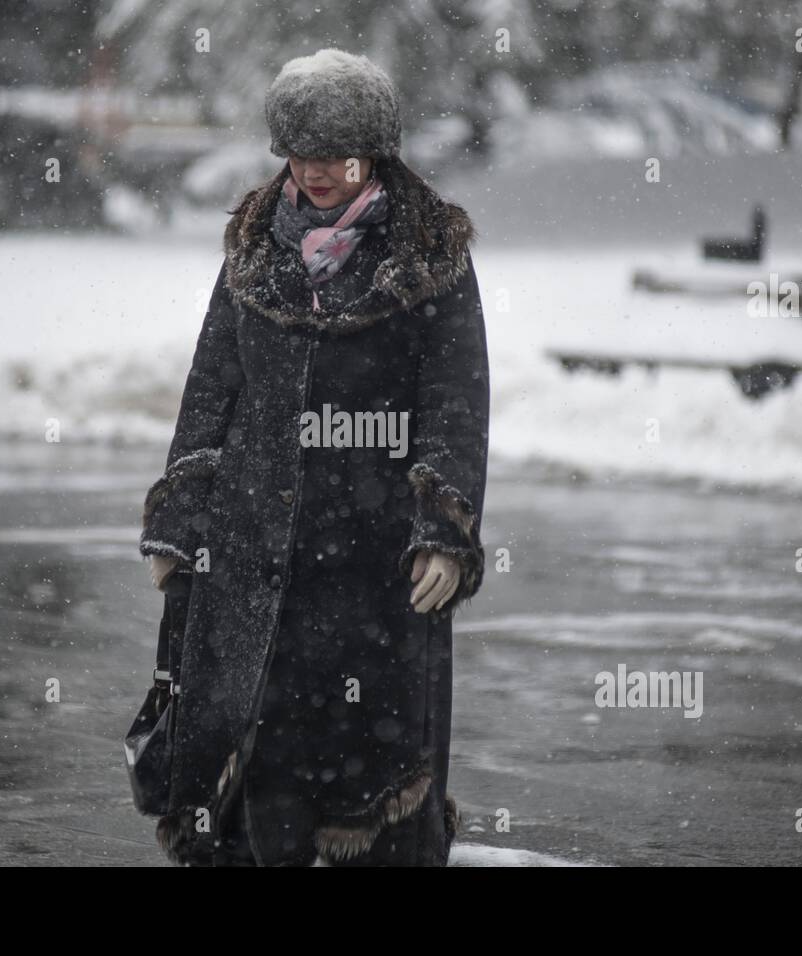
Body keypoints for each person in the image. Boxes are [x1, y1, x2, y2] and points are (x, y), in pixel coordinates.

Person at [138, 47, 489, 866]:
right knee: (264, 754)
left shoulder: (429, 250)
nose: (318, 171)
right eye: (302, 153)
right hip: (259, 549)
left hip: (377, 555)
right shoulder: (257, 247)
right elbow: (211, 388)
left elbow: (456, 398)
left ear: (378, 151)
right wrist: (179, 520)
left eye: (337, 154)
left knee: (378, 760)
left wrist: (444, 523)